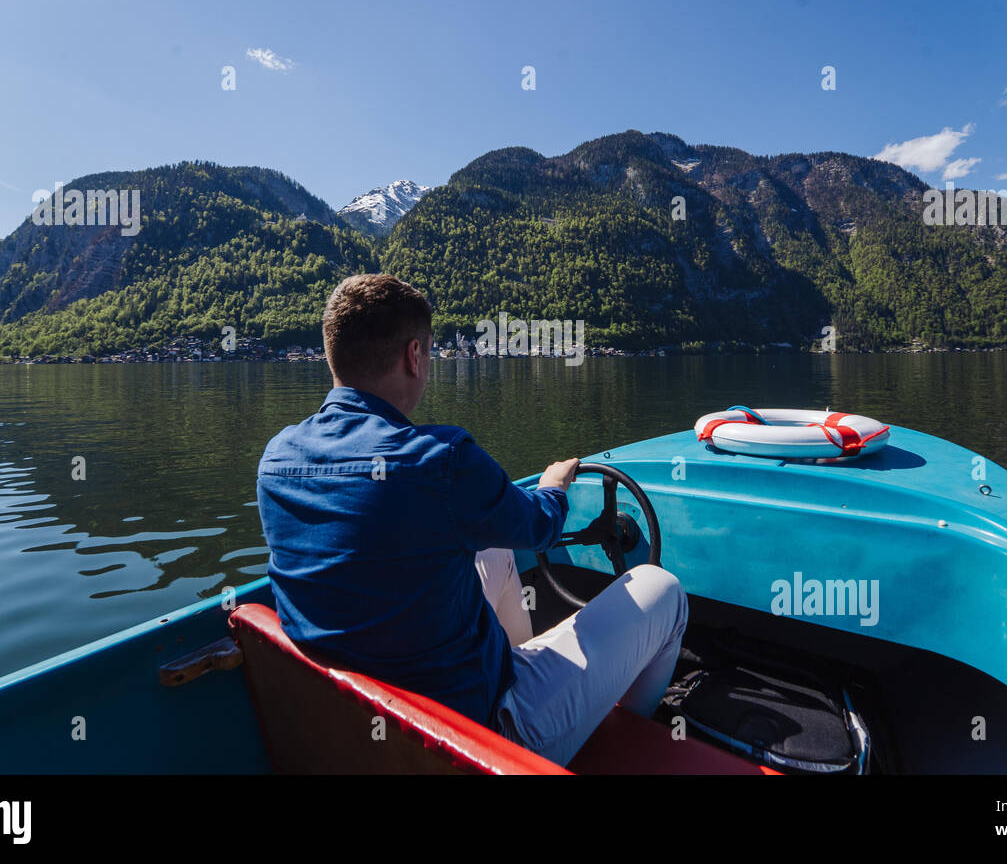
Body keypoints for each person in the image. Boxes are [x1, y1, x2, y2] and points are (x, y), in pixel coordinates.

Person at [256, 273, 687, 767]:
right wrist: (553, 486)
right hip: (466, 741)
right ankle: (579, 739)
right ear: (413, 356)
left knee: (494, 548)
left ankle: (531, 681)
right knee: (663, 589)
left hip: (353, 726)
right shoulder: (441, 460)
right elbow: (541, 527)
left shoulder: (276, 459)